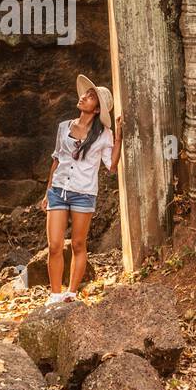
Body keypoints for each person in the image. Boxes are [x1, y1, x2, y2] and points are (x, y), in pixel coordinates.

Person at [35, 74, 123, 305]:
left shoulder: (104, 135)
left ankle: (71, 293)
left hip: (84, 193)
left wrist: (119, 138)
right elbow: (56, 160)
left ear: (97, 109)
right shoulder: (64, 127)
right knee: (55, 245)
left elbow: (111, 166)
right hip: (59, 190)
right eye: (85, 94)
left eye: (90, 96)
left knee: (78, 244)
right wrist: (47, 192)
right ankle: (55, 294)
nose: (84, 97)